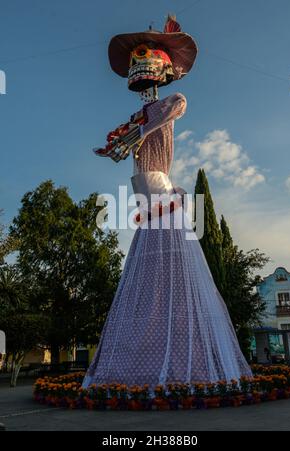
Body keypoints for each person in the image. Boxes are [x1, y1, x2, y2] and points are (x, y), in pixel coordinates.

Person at [82, 15, 252, 389]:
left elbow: (178, 102)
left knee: (172, 261)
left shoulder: (161, 109)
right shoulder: (135, 119)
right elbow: (115, 144)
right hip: (147, 199)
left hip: (158, 188)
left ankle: (185, 357)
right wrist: (129, 134)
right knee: (147, 270)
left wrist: (144, 127)